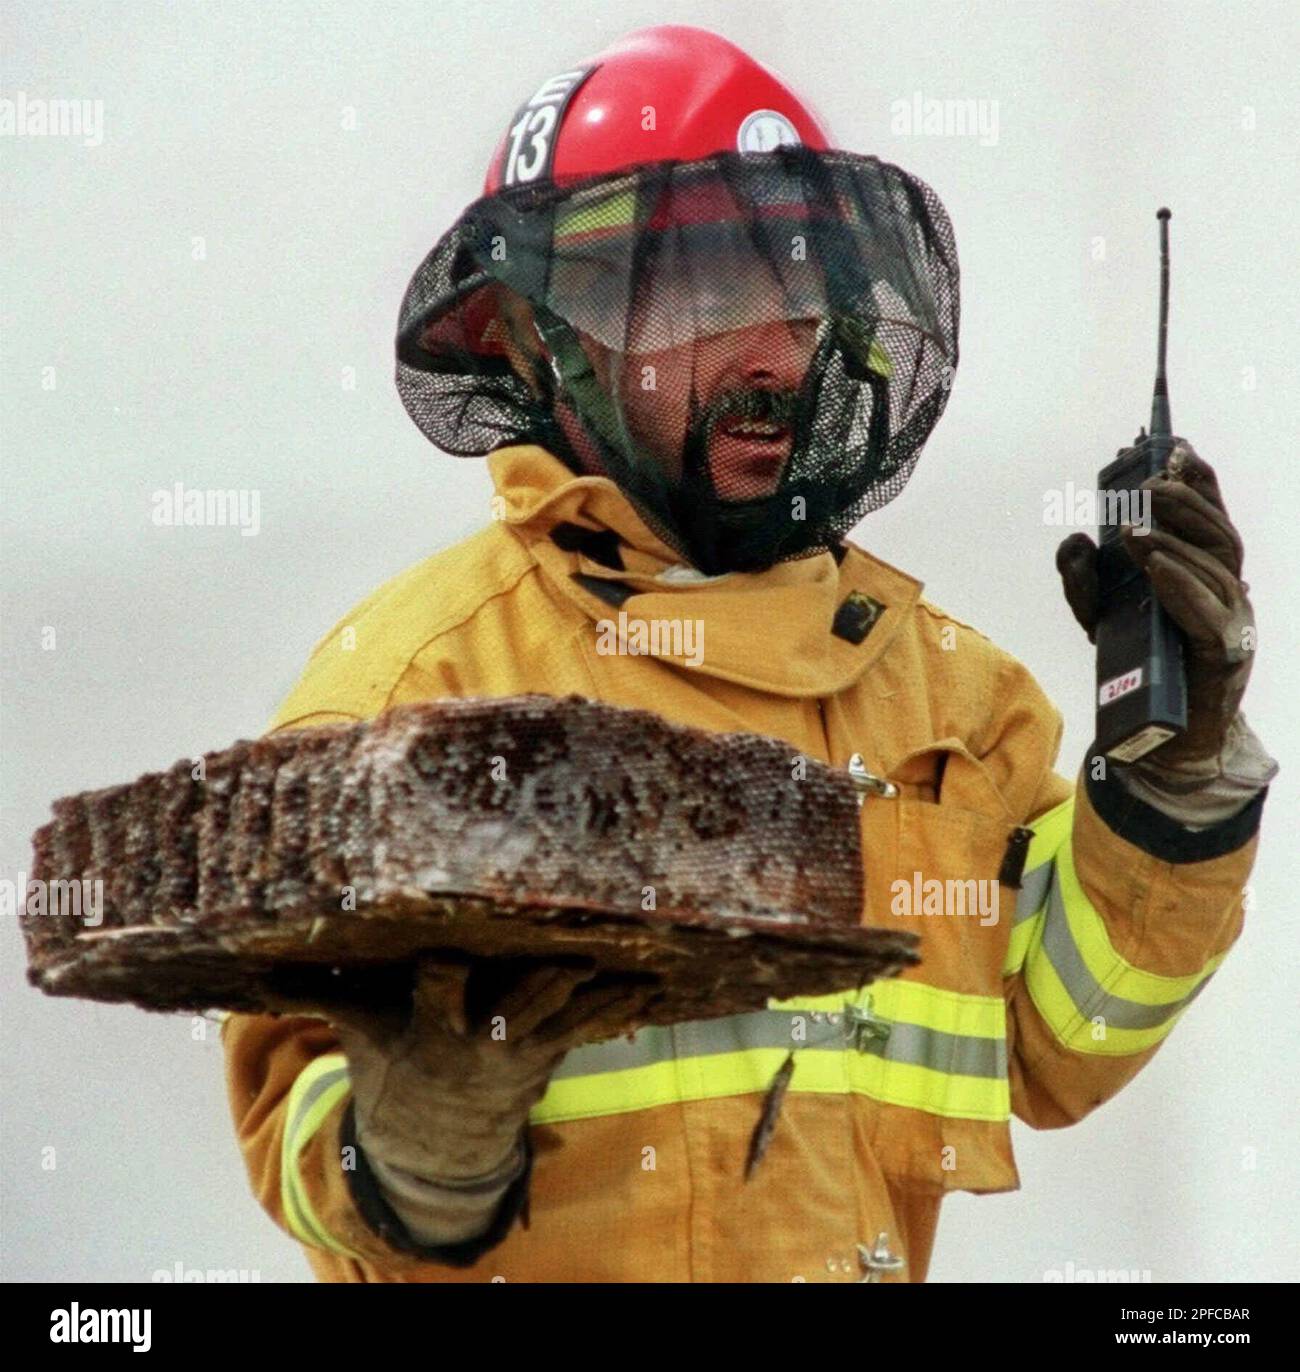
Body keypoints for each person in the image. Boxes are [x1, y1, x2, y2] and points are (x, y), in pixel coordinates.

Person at [221, 25, 1276, 1283]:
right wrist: (411, 1158)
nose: (774, 352)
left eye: (792, 288)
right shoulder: (412, 698)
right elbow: (299, 1144)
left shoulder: (942, 700)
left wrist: (1169, 791)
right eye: (708, 294)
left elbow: (1064, 1035)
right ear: (533, 333)